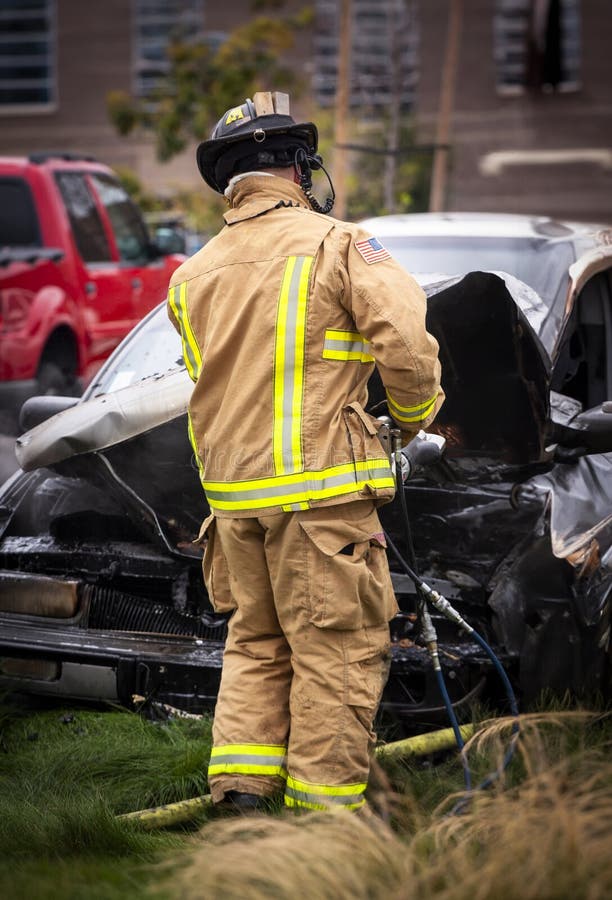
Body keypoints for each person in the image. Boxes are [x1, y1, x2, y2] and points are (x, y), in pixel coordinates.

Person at [167, 92, 444, 813]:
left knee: (256, 644)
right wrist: (412, 422)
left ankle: (241, 799)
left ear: (230, 185)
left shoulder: (190, 275)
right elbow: (409, 351)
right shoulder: (339, 244)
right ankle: (322, 830)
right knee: (338, 653)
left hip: (233, 506)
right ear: (298, 169)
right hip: (322, 501)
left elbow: (211, 383)